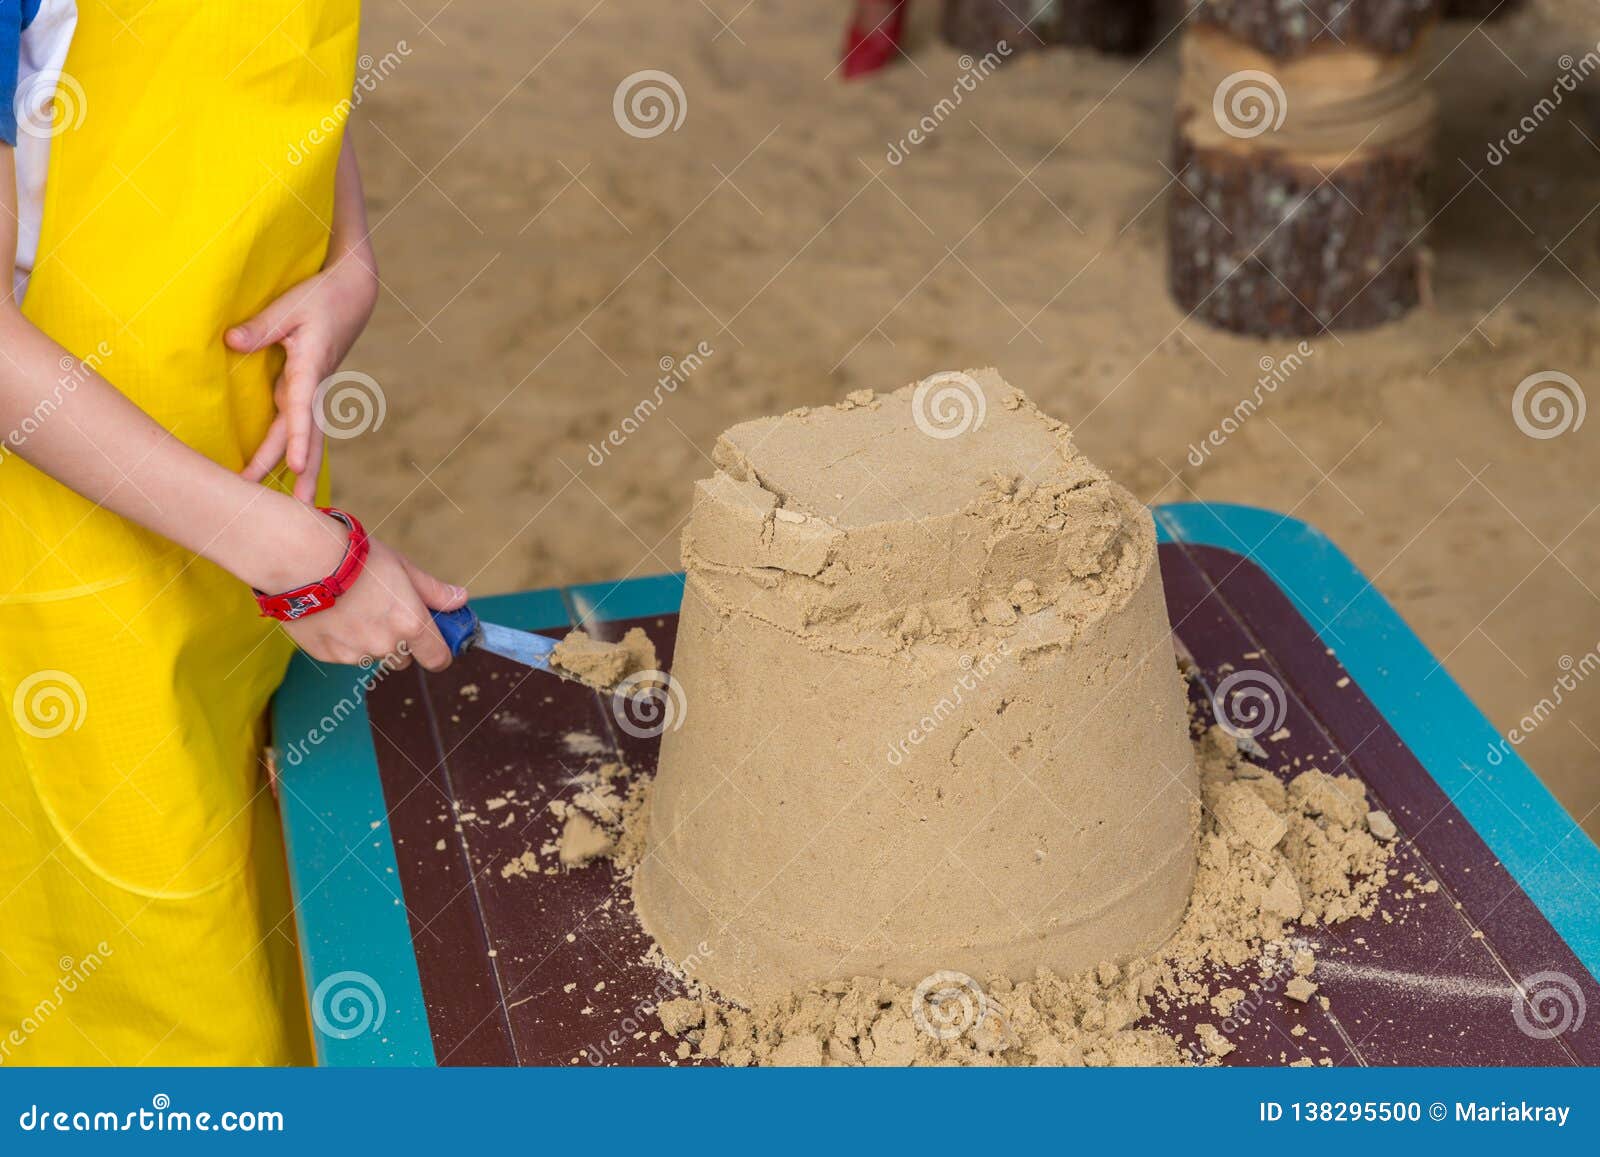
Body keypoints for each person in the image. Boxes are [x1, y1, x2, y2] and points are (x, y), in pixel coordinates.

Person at [0, 0, 465, 1063]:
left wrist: (350, 257)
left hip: (256, 496)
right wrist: (291, 556)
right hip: (67, 571)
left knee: (290, 930)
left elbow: (275, 69)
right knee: (162, 1017)